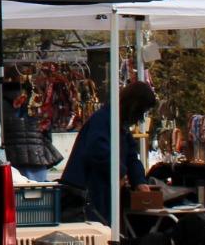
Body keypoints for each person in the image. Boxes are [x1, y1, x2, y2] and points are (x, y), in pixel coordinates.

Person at [60, 79, 157, 226]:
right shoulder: (103, 119)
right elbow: (97, 150)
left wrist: (139, 181)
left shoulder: (119, 124)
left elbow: (131, 156)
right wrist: (121, 172)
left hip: (100, 192)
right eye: (141, 112)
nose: (140, 118)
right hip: (85, 193)